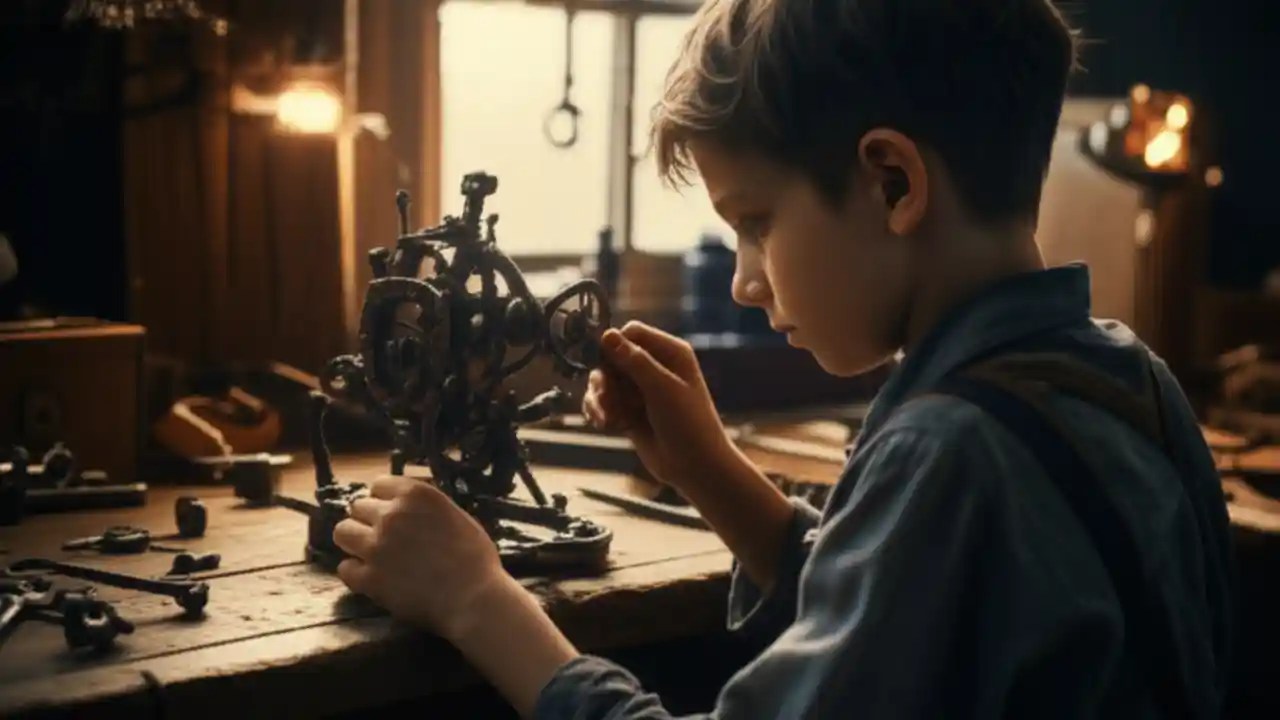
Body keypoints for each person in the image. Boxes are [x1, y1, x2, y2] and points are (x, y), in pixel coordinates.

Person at [330, 0, 1235, 717]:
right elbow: (903, 617)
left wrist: (477, 601)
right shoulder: (1134, 383)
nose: (744, 285)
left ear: (893, 182)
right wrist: (711, 471)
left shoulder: (948, 453)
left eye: (754, 225)